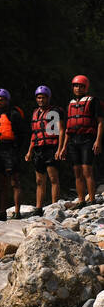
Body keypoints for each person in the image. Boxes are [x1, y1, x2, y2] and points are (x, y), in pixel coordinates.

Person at [60, 74, 102, 207]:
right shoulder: (71, 104)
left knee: (87, 170)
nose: (78, 88)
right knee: (77, 171)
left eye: (81, 86)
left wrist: (98, 141)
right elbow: (68, 128)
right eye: (76, 86)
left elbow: (101, 122)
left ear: (86, 88)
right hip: (73, 140)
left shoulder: (93, 101)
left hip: (87, 139)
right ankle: (81, 200)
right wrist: (63, 147)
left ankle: (92, 199)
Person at [0, 88, 29, 220]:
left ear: (7, 101)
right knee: (2, 184)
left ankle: (17, 212)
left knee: (14, 182)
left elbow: (22, 134)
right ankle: (2, 212)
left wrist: (16, 150)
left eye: (2, 100)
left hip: (10, 150)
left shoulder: (13, 114)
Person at [26, 85, 64, 215]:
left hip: (50, 148)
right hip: (38, 149)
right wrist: (30, 151)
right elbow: (34, 134)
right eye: (38, 97)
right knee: (39, 180)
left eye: (43, 97)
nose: (41, 100)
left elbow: (61, 131)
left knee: (53, 178)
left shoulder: (54, 112)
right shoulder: (35, 113)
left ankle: (54, 206)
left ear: (48, 98)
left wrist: (60, 149)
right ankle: (38, 208)